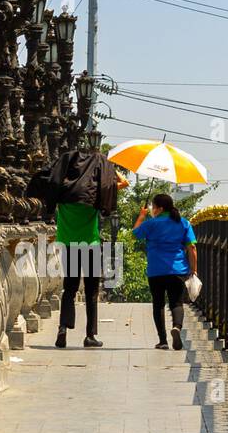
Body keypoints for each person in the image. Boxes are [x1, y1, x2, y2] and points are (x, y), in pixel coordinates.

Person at [27, 147, 119, 348]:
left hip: (69, 245)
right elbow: (109, 191)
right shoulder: (93, 199)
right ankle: (90, 335)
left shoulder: (63, 198)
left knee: (69, 289)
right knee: (91, 292)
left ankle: (62, 329)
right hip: (91, 246)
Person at [133, 193, 198, 350]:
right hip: (178, 270)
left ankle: (162, 341)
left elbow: (135, 234)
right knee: (176, 302)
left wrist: (141, 216)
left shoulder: (151, 224)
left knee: (158, 304)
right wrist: (194, 270)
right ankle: (176, 327)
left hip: (156, 270)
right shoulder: (183, 223)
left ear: (160, 208)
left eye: (153, 207)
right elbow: (192, 248)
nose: (151, 210)